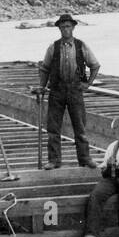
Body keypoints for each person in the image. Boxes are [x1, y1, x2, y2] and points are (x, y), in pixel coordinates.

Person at [37, 13, 100, 170]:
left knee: (80, 127)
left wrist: (87, 84)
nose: (65, 29)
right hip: (56, 90)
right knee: (53, 128)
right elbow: (44, 69)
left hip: (75, 90)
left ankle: (85, 159)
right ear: (59, 28)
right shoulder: (53, 47)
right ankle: (54, 160)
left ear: (73, 28)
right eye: (63, 27)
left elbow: (95, 65)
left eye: (68, 26)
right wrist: (42, 87)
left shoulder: (81, 45)